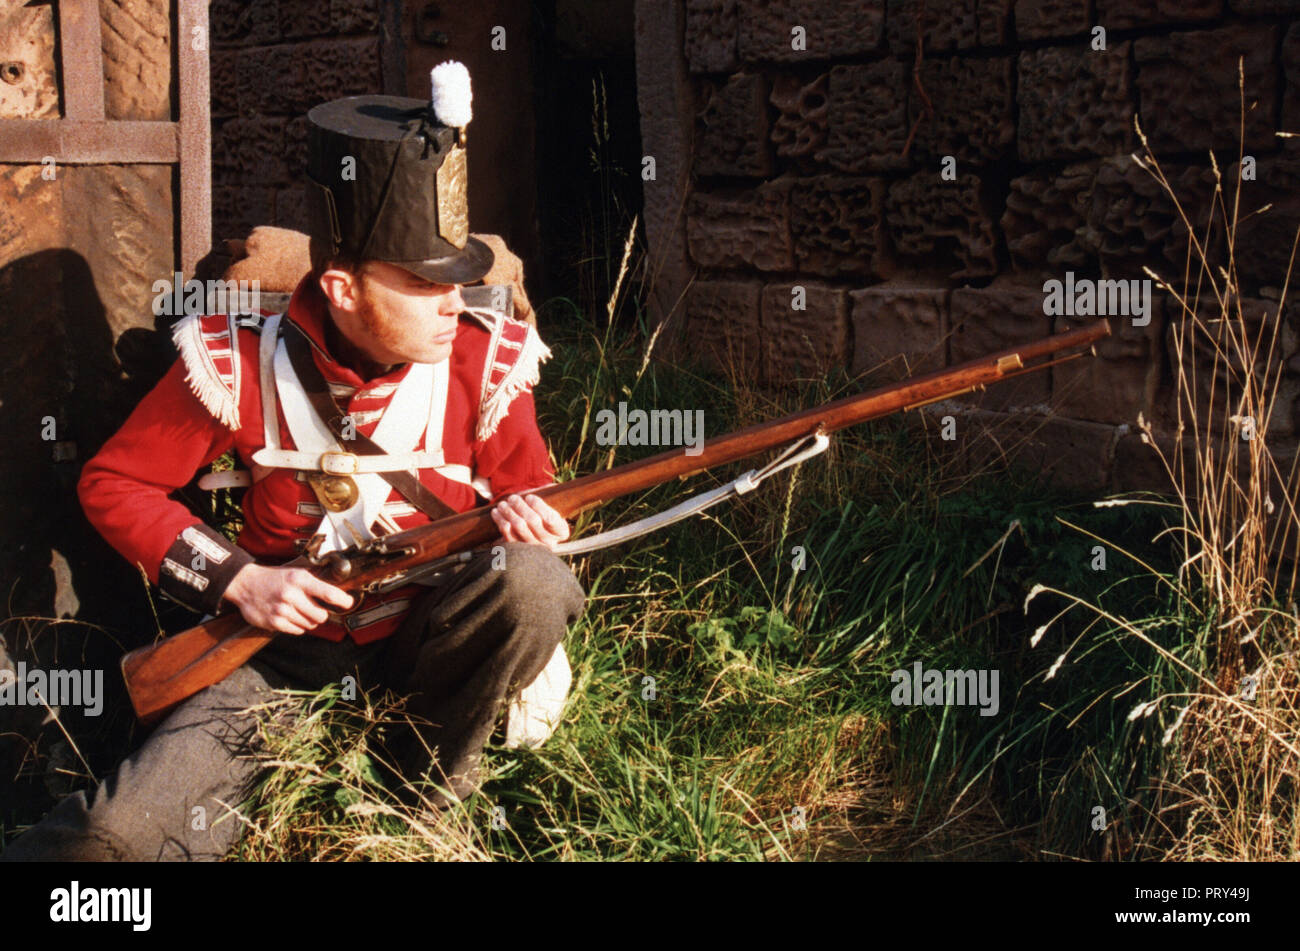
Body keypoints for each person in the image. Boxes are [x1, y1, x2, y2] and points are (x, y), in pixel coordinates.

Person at [1, 65, 586, 861]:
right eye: (424, 282)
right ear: (343, 288)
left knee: (537, 582)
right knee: (105, 843)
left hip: (430, 647)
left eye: (459, 277)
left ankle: (422, 793)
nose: (457, 302)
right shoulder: (238, 363)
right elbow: (114, 484)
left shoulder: (485, 359)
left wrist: (533, 523)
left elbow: (537, 494)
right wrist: (240, 580)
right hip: (276, 660)